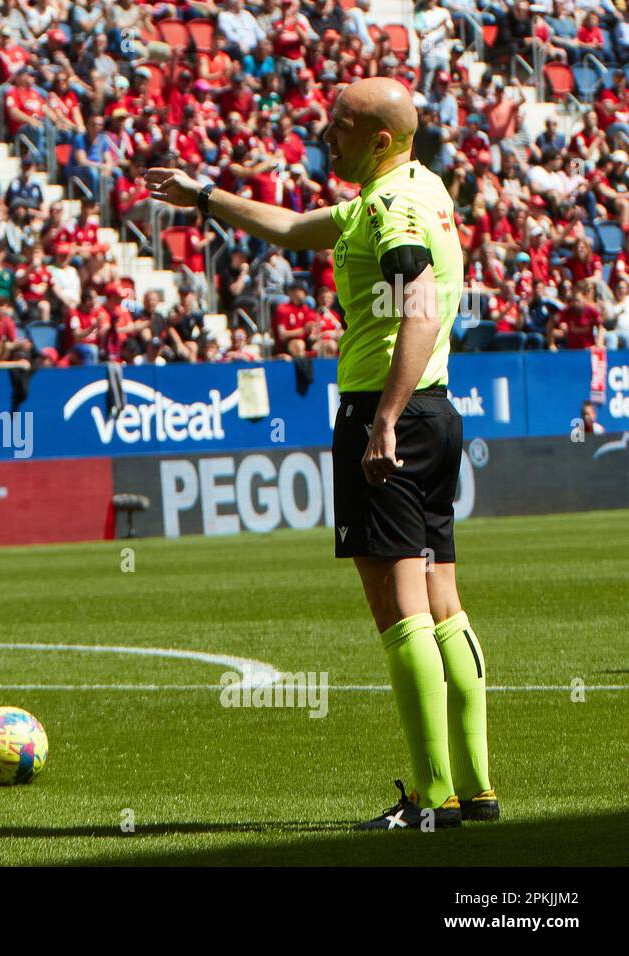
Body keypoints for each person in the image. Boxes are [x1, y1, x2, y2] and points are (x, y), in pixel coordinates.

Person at [148, 77, 497, 831]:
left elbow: (421, 311)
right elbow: (289, 228)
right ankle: (477, 792)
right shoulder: (418, 190)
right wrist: (204, 197)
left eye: (339, 126)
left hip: (389, 412)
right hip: (435, 412)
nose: (324, 135)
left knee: (398, 607)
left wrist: (383, 423)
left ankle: (431, 802)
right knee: (444, 607)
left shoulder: (393, 208)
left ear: (380, 138)